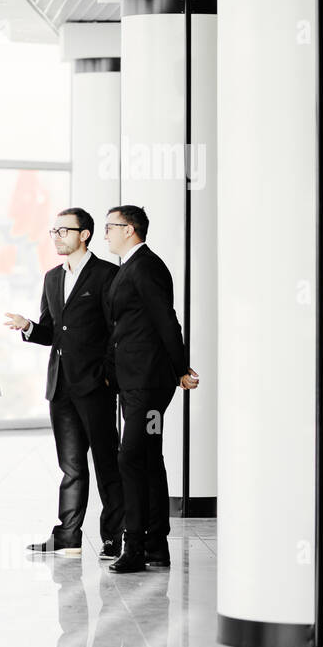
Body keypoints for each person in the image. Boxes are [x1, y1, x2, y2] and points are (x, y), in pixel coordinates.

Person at [3, 208, 125, 560]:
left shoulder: (107, 275)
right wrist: (28, 327)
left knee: (106, 464)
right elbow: (51, 331)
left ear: (84, 235)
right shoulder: (51, 277)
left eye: (63, 230)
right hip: (60, 387)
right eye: (53, 230)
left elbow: (118, 330)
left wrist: (107, 372)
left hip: (96, 386)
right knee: (71, 467)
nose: (56, 236)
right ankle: (68, 536)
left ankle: (113, 537)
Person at [100, 205, 200, 573]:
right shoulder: (130, 266)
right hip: (136, 382)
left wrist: (179, 369)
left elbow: (166, 319)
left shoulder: (146, 266)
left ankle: (136, 546)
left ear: (129, 229)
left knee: (129, 457)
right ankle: (157, 544)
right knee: (148, 457)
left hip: (149, 384)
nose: (105, 233)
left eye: (110, 226)